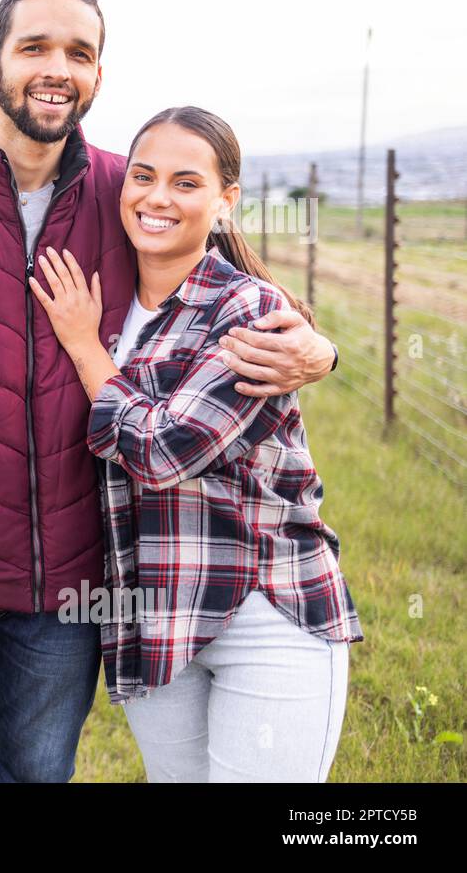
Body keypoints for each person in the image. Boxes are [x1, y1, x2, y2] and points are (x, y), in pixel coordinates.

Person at [0, 0, 341, 782]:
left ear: (98, 75)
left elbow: (226, 276)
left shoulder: (128, 194)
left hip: (66, 585)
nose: (57, 68)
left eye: (79, 53)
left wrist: (320, 348)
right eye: (35, 48)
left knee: (39, 775)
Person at [28, 105, 363, 782]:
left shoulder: (246, 309)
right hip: (153, 613)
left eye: (185, 183)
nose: (156, 198)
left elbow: (163, 450)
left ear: (224, 202)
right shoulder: (107, 292)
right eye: (143, 176)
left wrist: (86, 348)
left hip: (263, 608)